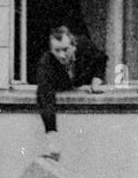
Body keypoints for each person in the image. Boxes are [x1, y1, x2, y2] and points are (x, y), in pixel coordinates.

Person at [35, 23, 108, 159]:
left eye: (65, 49)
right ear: (51, 50)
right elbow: (45, 96)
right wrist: (52, 137)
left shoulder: (84, 45)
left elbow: (102, 58)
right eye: (57, 51)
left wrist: (96, 81)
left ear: (73, 45)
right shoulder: (46, 63)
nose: (62, 55)